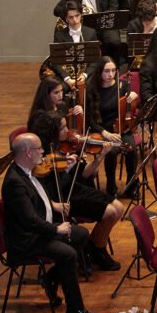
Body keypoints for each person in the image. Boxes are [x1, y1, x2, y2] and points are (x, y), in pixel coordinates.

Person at [2, 132, 101, 313]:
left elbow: (36, 199)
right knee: (68, 254)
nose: (43, 152)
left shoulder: (27, 171)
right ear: (28, 153)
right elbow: (29, 220)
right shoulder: (14, 182)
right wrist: (56, 230)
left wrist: (53, 204)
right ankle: (76, 312)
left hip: (39, 231)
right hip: (27, 240)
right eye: (39, 148)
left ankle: (51, 278)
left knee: (81, 234)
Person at [25, 110, 125, 270]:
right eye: (63, 128)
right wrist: (65, 170)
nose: (68, 131)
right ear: (52, 132)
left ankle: (92, 247)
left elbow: (85, 174)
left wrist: (100, 157)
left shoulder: (64, 147)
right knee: (110, 213)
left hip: (74, 188)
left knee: (119, 208)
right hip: (61, 196)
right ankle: (98, 252)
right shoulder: (41, 153)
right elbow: (41, 187)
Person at [86, 57, 139, 196]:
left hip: (122, 128)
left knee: (132, 150)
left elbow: (130, 108)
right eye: (107, 71)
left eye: (113, 71)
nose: (110, 74)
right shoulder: (92, 90)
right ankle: (111, 186)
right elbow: (90, 120)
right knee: (112, 151)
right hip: (103, 130)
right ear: (99, 73)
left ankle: (131, 185)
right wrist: (106, 134)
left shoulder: (123, 86)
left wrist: (133, 97)